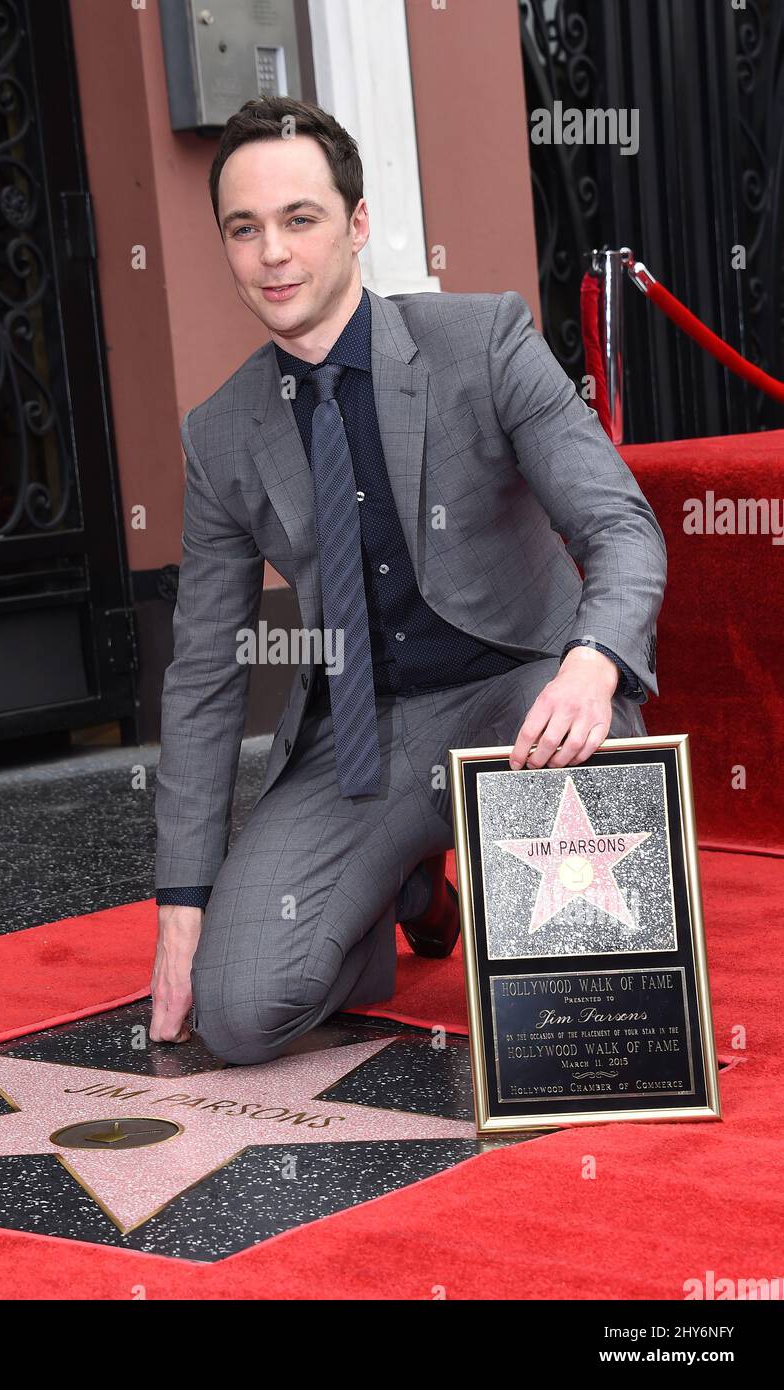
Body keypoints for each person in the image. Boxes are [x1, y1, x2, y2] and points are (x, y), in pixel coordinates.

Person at [150, 97, 666, 1065]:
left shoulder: (483, 341)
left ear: (354, 224)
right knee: (237, 1011)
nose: (272, 254)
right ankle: (408, 885)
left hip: (524, 699)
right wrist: (183, 901)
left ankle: (433, 861)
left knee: (588, 988)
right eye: (244, 228)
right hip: (362, 737)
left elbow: (620, 525)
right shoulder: (220, 434)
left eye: (299, 219)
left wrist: (592, 667)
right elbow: (206, 674)